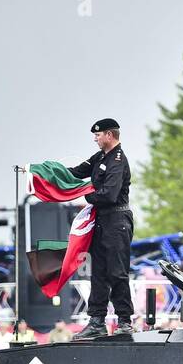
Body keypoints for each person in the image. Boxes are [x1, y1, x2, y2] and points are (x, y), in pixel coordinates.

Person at [71, 118, 133, 340]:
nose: (95, 139)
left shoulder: (118, 160)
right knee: (98, 273)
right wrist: (46, 173)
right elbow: (76, 172)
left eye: (98, 135)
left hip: (117, 220)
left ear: (109, 135)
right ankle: (96, 321)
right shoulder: (100, 157)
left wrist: (85, 195)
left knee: (117, 272)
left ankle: (124, 321)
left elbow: (109, 194)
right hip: (101, 221)